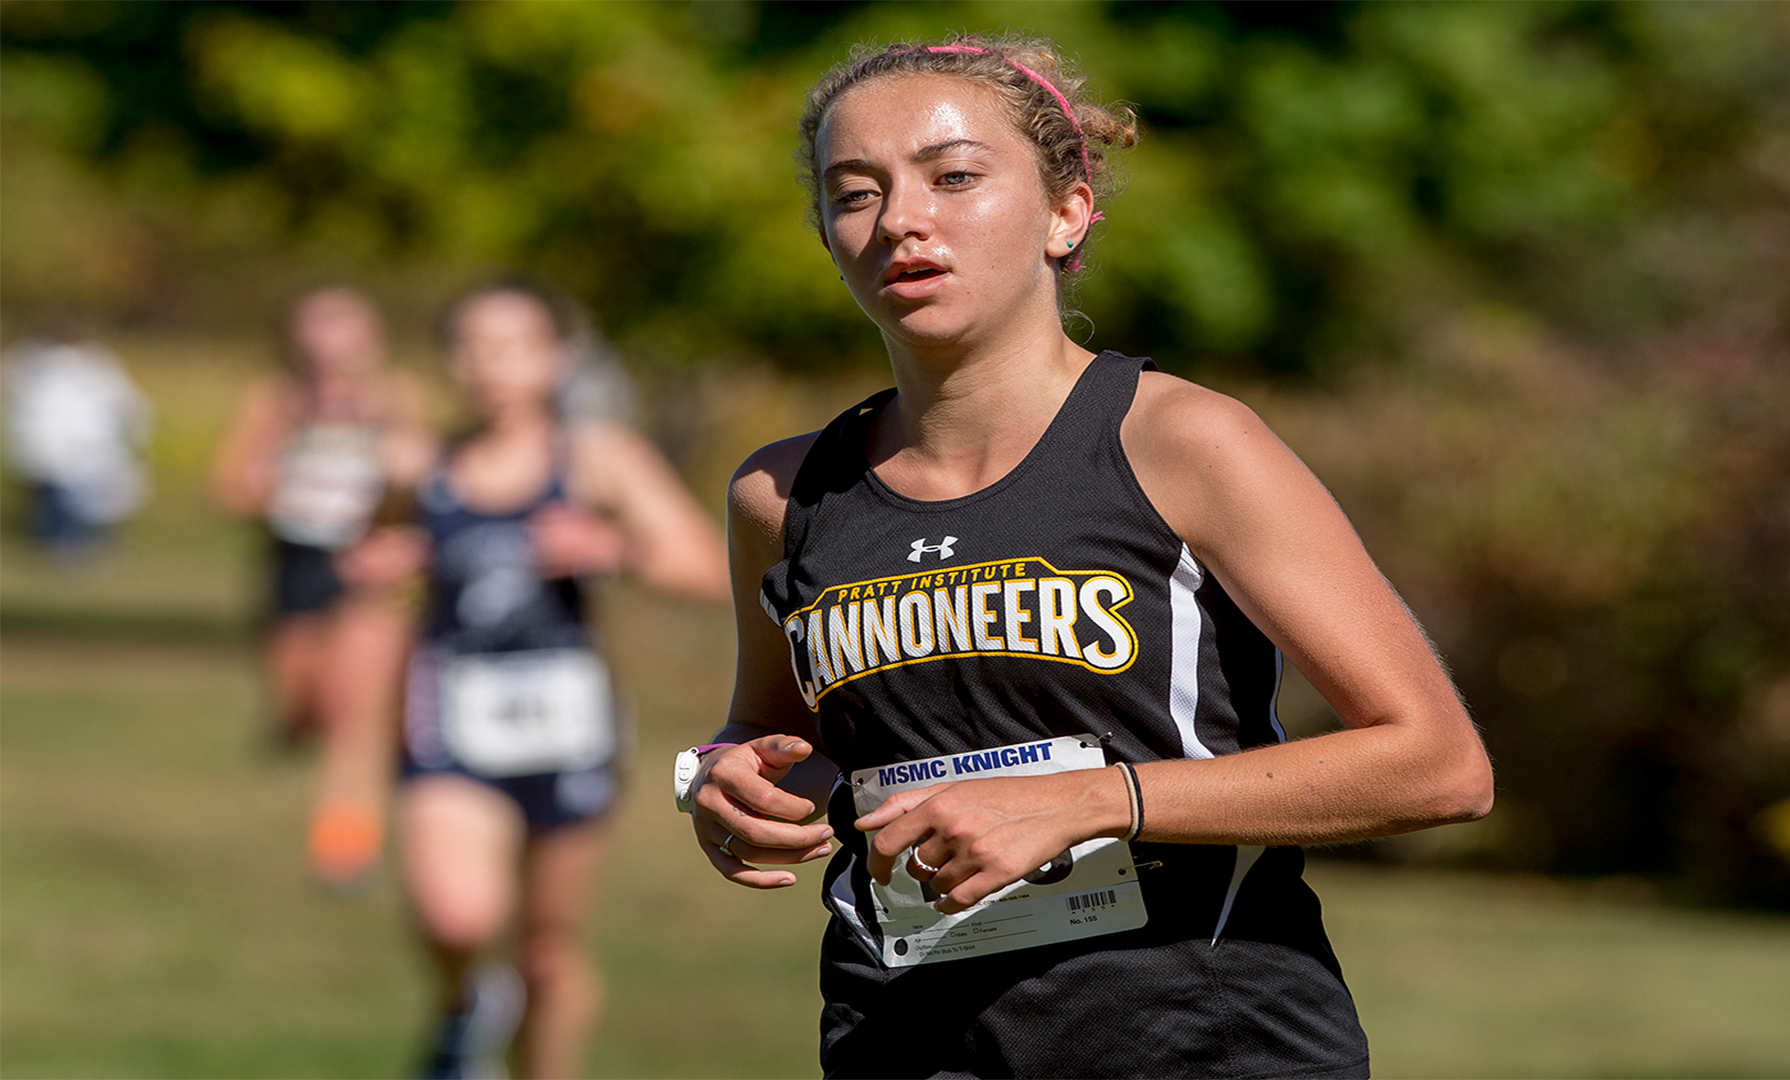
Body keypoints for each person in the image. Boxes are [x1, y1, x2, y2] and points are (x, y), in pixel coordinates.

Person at [683, 34, 1496, 1078]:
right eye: (855, 194)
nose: (903, 220)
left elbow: (1436, 762)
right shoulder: (783, 494)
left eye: (956, 177)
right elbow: (775, 736)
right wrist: (724, 781)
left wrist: (1094, 800)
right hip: (905, 1039)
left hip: (1201, 1039)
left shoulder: (1183, 442)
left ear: (1067, 213)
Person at [356, 279, 729, 1080]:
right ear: (451, 360)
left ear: (556, 358)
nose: (493, 367)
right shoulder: (419, 463)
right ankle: (463, 1007)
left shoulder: (595, 458)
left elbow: (709, 566)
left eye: (516, 347)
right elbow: (374, 550)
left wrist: (612, 549)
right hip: (450, 717)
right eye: (474, 347)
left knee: (549, 957)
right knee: (457, 915)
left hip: (568, 729)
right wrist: (387, 561)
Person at [209, 286, 434, 890]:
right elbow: (228, 486)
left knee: (349, 709)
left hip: (369, 566)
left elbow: (432, 480)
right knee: (300, 705)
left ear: (371, 341)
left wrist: (400, 471)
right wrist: (275, 476)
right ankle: (316, 738)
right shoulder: (275, 401)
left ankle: (345, 848)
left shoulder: (398, 398)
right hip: (295, 565)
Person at [4, 327, 150, 557]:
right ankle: (61, 545)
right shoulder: (31, 363)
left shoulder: (95, 364)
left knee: (85, 503)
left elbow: (125, 404)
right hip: (55, 450)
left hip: (84, 449)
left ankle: (73, 545)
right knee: (57, 501)